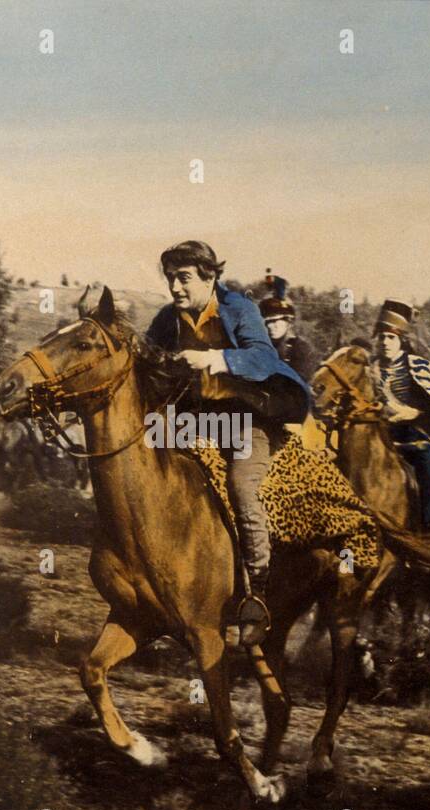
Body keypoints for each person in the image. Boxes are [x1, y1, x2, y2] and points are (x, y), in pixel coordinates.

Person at [145, 240, 311, 646]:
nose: (175, 288)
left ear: (210, 277)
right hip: (196, 420)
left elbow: (262, 359)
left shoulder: (239, 309)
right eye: (170, 279)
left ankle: (258, 590)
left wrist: (215, 359)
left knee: (241, 486)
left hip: (250, 416)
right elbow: (145, 357)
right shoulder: (169, 318)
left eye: (184, 278)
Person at [370, 300, 430, 530]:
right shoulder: (371, 369)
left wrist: (412, 413)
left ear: (402, 340)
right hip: (378, 439)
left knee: (429, 472)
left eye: (391, 337)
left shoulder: (420, 367)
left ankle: (427, 528)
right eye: (382, 337)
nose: (385, 342)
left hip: (412, 438)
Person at [259, 273, 317, 384]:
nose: (271, 326)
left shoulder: (300, 348)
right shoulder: (260, 346)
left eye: (276, 320)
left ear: (288, 321)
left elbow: (298, 384)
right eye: (267, 322)